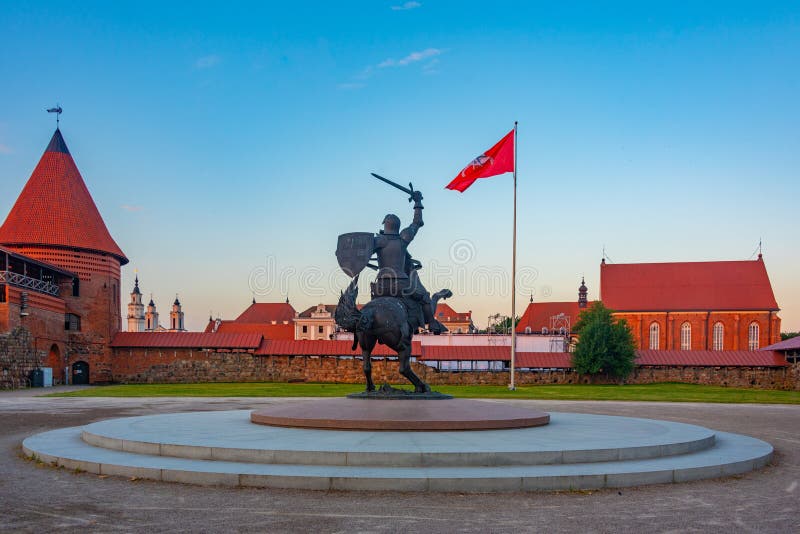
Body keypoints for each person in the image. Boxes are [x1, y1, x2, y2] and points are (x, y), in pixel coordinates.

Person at [372, 190, 446, 334]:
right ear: (397, 226)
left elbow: (361, 253)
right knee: (424, 297)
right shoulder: (403, 239)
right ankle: (432, 323)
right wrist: (417, 202)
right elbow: (417, 222)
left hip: (380, 287)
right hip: (401, 285)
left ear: (385, 225)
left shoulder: (377, 241)